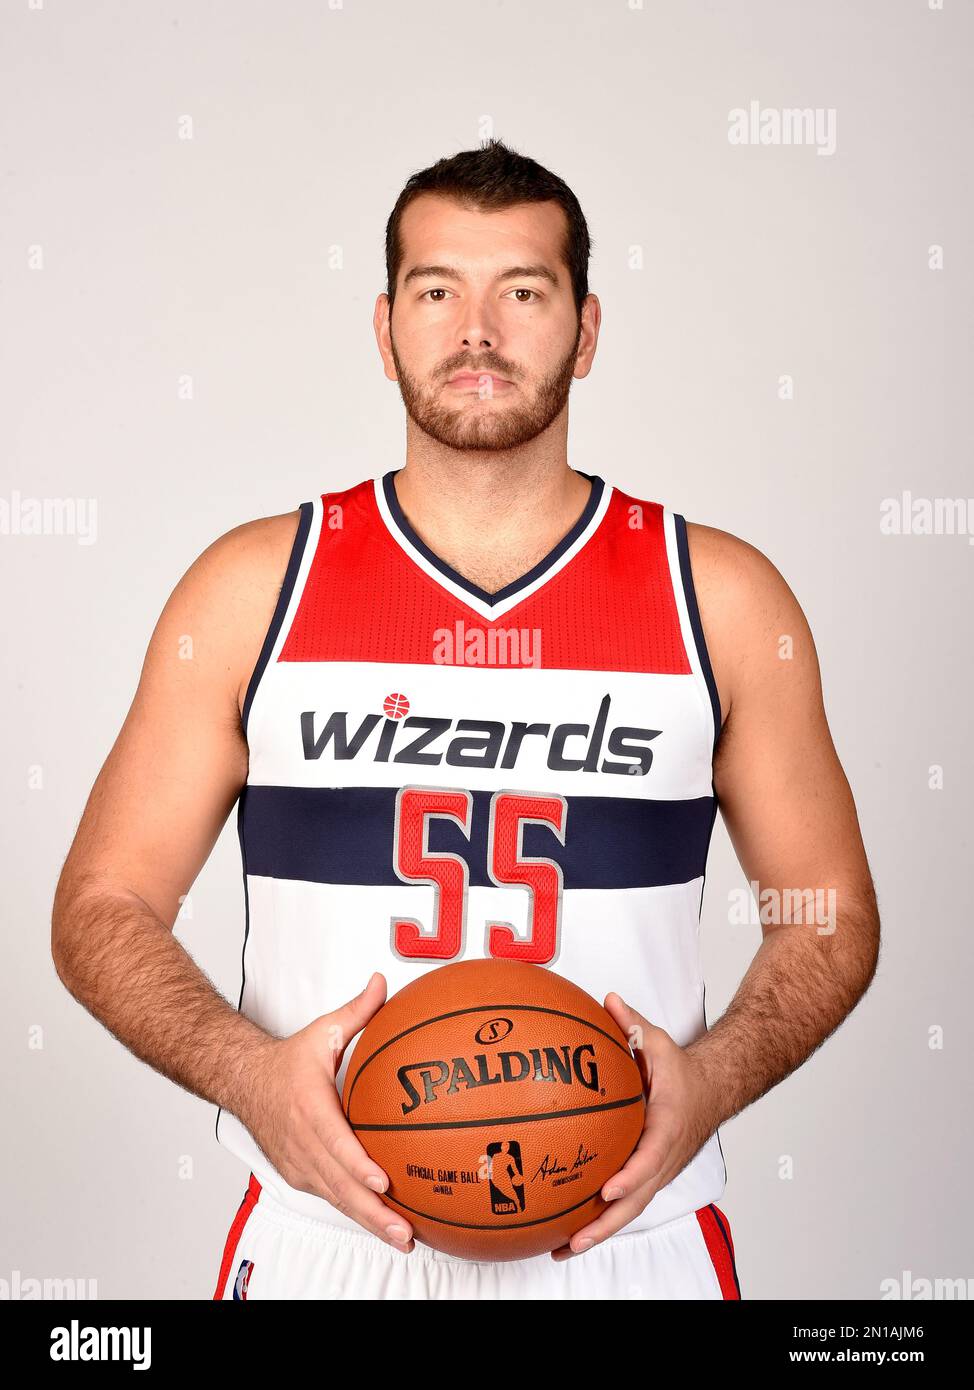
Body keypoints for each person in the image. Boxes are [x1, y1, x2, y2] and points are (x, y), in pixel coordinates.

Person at [51, 139, 879, 1300]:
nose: (475, 330)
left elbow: (828, 917)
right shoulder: (253, 590)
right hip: (325, 1237)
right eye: (437, 290)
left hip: (622, 1240)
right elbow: (102, 906)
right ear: (383, 327)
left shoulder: (720, 599)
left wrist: (713, 1080)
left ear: (586, 330)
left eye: (522, 292)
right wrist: (247, 1075)